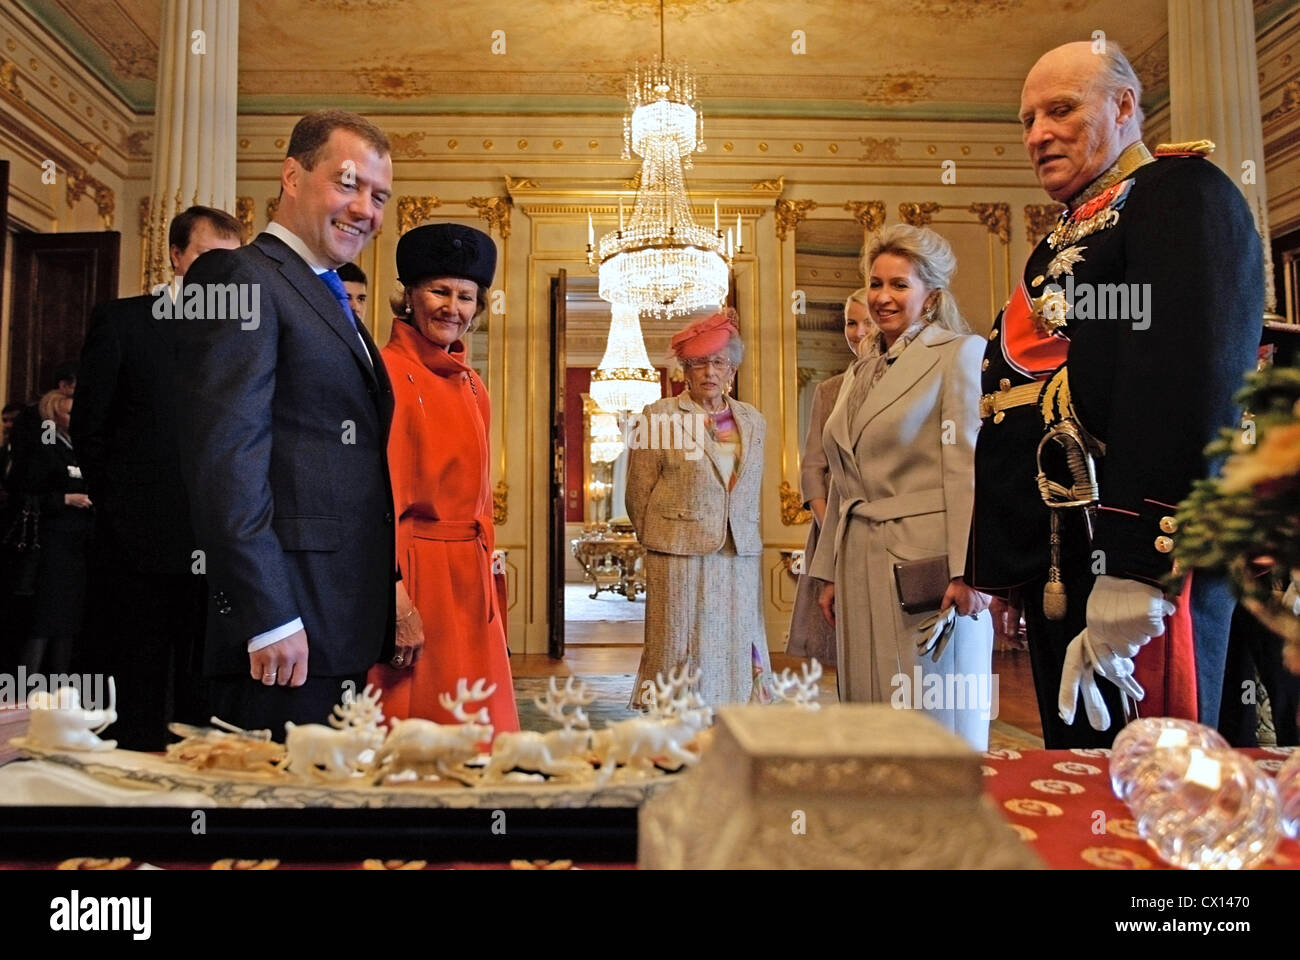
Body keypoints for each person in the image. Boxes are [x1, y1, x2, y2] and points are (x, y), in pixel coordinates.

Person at [965, 41, 1262, 747]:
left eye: (1060, 109)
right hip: (1064, 552)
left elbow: (1190, 381)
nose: (1038, 134)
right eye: (1028, 119)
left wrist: (1141, 566)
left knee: (1159, 780)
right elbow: (1022, 399)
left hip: (1135, 551)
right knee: (1082, 776)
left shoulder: (1178, 195)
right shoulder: (1065, 235)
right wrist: (1011, 568)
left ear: (1125, 106)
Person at [174, 110, 397, 733]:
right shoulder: (240, 275)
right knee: (270, 817)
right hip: (283, 628)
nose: (365, 209)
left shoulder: (323, 290)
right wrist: (266, 612)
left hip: (336, 619)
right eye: (348, 183)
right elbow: (226, 459)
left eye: (379, 196)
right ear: (292, 176)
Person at [810, 225, 993, 750]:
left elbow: (968, 468)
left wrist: (971, 569)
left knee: (931, 710)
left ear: (930, 296)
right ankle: (877, 818)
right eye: (875, 284)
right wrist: (828, 570)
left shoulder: (958, 353)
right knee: (869, 707)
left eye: (899, 285)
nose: (883, 297)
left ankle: (941, 823)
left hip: (928, 564)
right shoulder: (860, 371)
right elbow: (844, 479)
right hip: (858, 559)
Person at [70, 204, 242, 750]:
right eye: (210, 260)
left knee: (205, 698)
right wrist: (121, 515)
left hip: (218, 547)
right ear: (176, 256)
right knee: (133, 693)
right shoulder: (123, 322)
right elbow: (89, 429)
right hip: (135, 549)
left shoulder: (241, 335)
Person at [365, 223, 518, 736]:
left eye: (466, 296)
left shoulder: (475, 386)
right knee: (416, 741)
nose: (452, 307)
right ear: (408, 296)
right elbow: (373, 502)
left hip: (471, 578)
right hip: (416, 575)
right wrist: (393, 599)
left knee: (480, 733)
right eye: (439, 291)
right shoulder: (383, 374)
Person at [626, 309, 770, 708]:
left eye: (719, 362)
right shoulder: (659, 417)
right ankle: (675, 720)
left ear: (733, 369)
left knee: (735, 636)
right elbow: (638, 493)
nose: (710, 371)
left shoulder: (753, 421)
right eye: (698, 363)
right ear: (684, 372)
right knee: (678, 639)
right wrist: (662, 537)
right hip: (676, 551)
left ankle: (732, 713)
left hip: (738, 549)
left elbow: (748, 489)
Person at [786, 289, 870, 665]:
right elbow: (813, 470)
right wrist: (832, 530)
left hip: (889, 524)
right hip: (832, 527)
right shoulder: (829, 390)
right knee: (841, 644)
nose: (858, 332)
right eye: (851, 323)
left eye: (867, 321)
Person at [20, 391, 92, 675]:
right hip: (52, 541)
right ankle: (25, 689)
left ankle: (61, 690)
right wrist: (65, 499)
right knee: (44, 617)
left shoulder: (79, 446)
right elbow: (28, 489)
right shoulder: (45, 444)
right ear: (54, 415)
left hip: (78, 542)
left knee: (69, 619)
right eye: (69, 414)